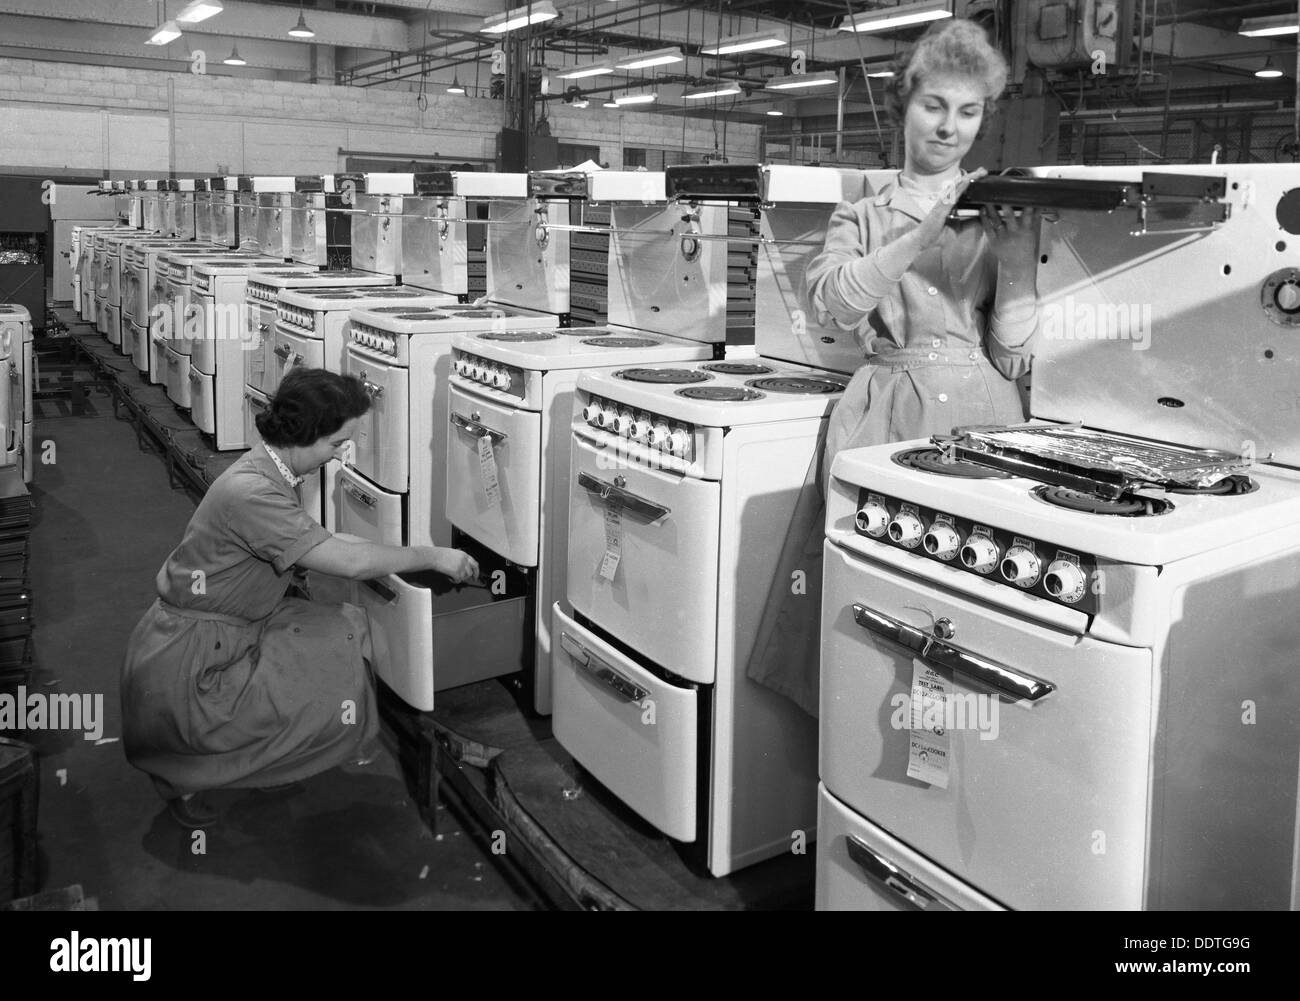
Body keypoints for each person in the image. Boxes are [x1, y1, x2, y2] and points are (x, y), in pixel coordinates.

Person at [748, 19, 1042, 718]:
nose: (949, 127)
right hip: (890, 411)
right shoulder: (863, 212)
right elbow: (834, 303)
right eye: (935, 105)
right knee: (879, 595)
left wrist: (1019, 256)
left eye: (968, 112)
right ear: (905, 103)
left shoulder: (993, 212)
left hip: (985, 415)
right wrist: (922, 233)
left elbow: (1011, 353)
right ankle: (861, 742)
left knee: (980, 593)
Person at [121, 368, 480, 828]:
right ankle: (184, 781)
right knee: (219, 726)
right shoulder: (252, 493)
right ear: (306, 435)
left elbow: (328, 543)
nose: (342, 452)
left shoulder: (273, 470)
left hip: (233, 623)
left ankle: (262, 758)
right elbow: (346, 562)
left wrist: (413, 558)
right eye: (337, 443)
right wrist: (432, 554)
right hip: (193, 649)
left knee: (339, 632)